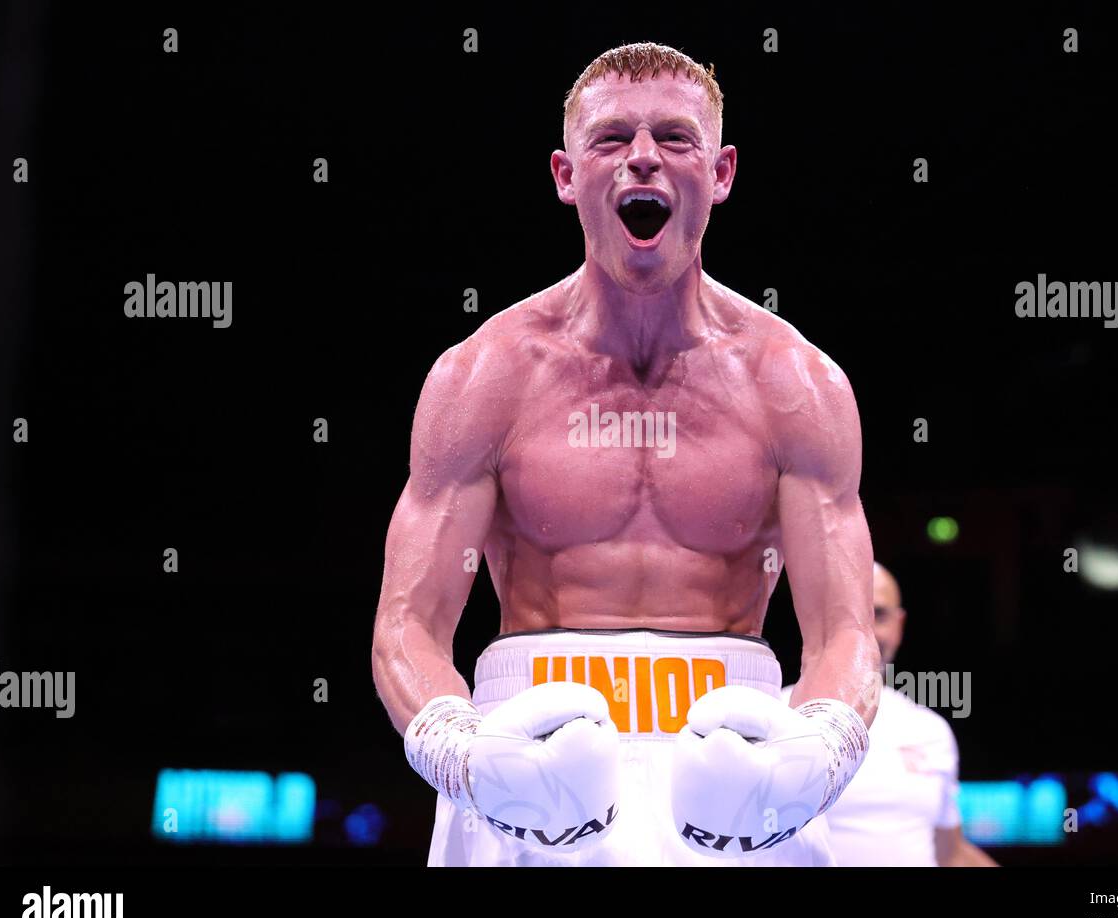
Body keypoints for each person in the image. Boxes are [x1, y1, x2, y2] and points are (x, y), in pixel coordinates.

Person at [372, 42, 880, 866]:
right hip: (532, 748)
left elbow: (843, 635)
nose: (643, 156)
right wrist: (459, 752)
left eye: (675, 138)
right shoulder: (485, 374)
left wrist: (819, 752)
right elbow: (406, 624)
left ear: (720, 173)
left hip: (731, 758)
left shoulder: (797, 382)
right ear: (567, 175)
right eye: (611, 139)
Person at [782, 563, 998, 866]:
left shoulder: (930, 730)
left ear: (899, 624)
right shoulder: (779, 717)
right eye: (850, 618)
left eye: (878, 615)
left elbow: (950, 853)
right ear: (817, 621)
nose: (865, 634)